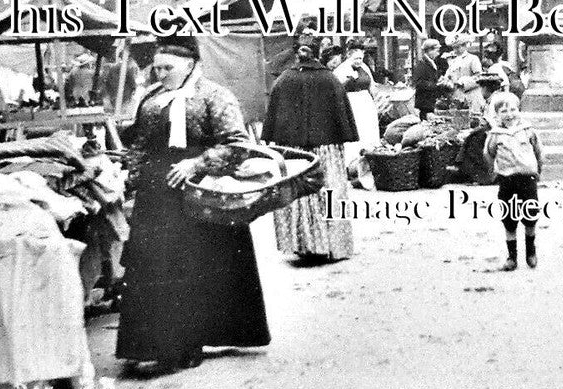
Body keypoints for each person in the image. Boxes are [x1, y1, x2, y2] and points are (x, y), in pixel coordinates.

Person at [116, 34, 270, 372]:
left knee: (197, 266)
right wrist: (132, 180)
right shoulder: (152, 98)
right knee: (155, 265)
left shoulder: (215, 96)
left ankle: (188, 343)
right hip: (157, 196)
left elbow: (237, 144)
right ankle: (151, 344)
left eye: (167, 68)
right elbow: (140, 143)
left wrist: (197, 164)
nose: (160, 75)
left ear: (189, 65)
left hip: (201, 194)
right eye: (156, 69)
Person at [263, 43, 359, 261]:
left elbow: (273, 116)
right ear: (318, 55)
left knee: (300, 194)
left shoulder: (284, 80)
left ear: (296, 55)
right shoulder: (330, 80)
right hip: (326, 149)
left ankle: (304, 245)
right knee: (329, 190)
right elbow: (342, 116)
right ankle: (332, 245)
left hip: (294, 150)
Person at [483, 91, 543, 270]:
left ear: (519, 110)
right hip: (507, 180)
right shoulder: (495, 134)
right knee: (509, 218)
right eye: (504, 111)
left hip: (527, 179)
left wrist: (537, 170)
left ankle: (531, 252)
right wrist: (494, 171)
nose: (509, 115)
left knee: (530, 215)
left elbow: (539, 152)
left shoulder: (528, 131)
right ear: (497, 115)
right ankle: (512, 257)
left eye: (512, 110)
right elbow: (488, 153)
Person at [334, 39, 380, 167]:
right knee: (357, 130)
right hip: (352, 103)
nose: (359, 61)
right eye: (356, 58)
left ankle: (371, 160)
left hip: (366, 102)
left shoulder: (364, 67)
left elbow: (371, 85)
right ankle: (353, 163)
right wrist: (348, 80)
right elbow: (336, 89)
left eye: (361, 58)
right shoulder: (341, 69)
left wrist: (376, 99)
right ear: (349, 55)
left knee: (369, 130)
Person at [444, 36, 484, 111]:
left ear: (465, 46)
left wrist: (463, 83)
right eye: (454, 48)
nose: (455, 50)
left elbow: (479, 77)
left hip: (471, 94)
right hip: (457, 96)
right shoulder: (452, 61)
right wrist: (446, 81)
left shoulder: (472, 58)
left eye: (458, 47)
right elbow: (449, 75)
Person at [411, 38, 446, 119]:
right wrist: (436, 85)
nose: (438, 54)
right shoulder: (422, 64)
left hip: (429, 101)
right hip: (425, 103)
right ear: (430, 50)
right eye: (437, 51)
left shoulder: (431, 63)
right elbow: (419, 83)